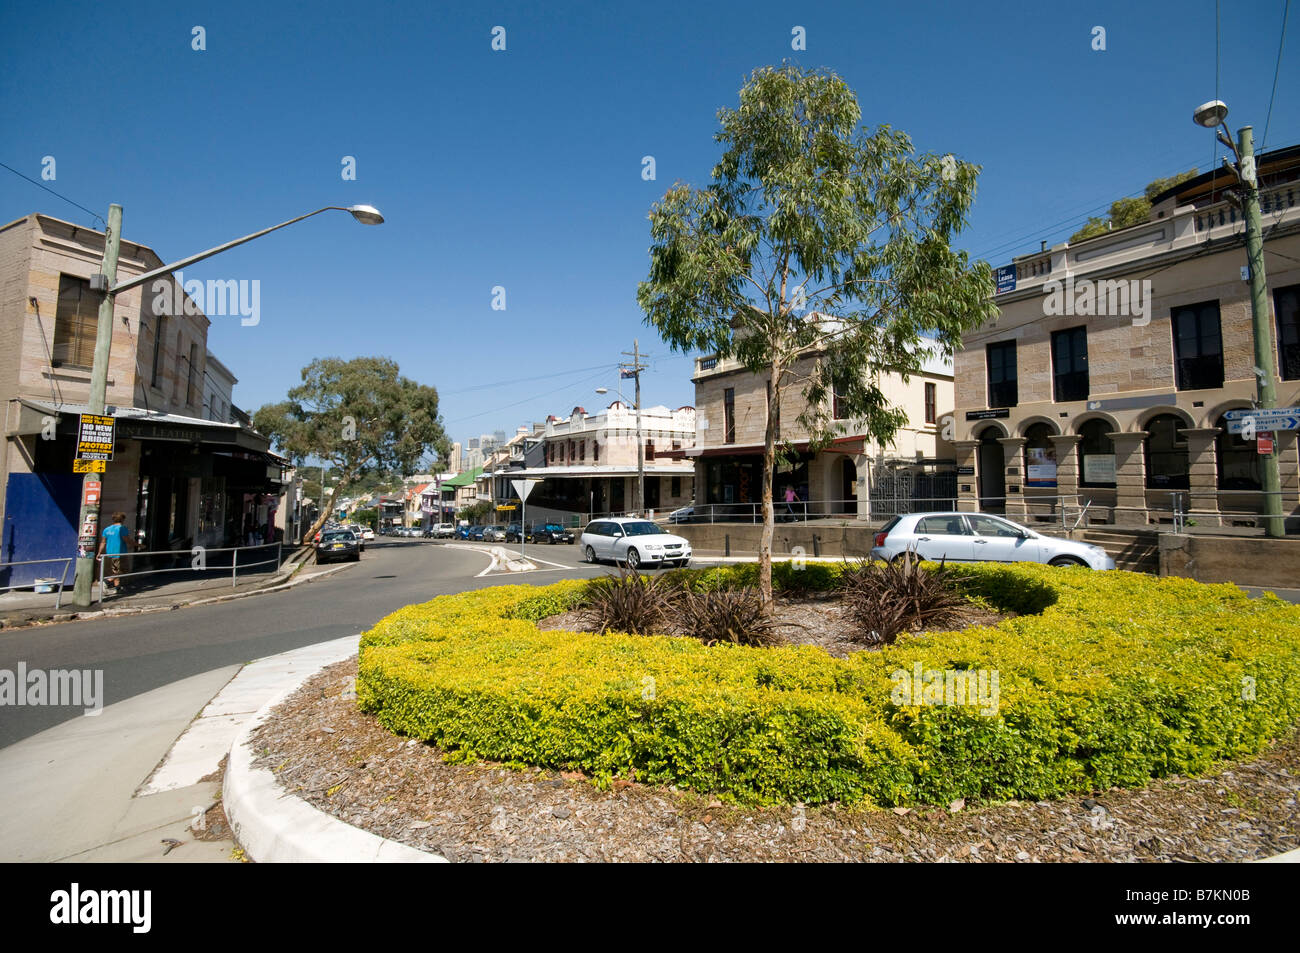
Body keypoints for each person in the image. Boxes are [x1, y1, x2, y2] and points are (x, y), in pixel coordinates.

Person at [98, 511, 130, 592]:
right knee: (125, 570)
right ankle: (106, 582)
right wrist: (139, 545)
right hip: (120, 553)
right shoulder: (122, 528)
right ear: (122, 519)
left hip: (110, 554)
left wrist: (99, 553)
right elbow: (127, 540)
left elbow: (103, 542)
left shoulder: (107, 529)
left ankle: (118, 588)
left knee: (116, 571)